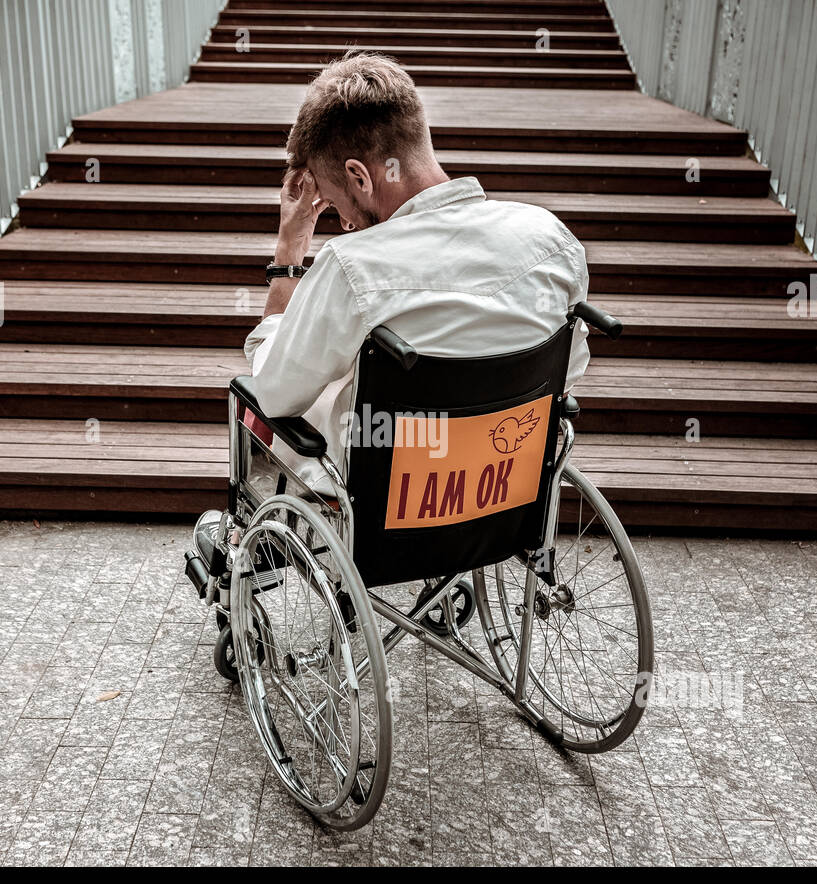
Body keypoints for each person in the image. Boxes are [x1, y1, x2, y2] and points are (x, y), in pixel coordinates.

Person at [196, 52, 592, 555]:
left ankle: (240, 542)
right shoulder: (553, 239)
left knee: (265, 394)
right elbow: (569, 368)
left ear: (362, 176)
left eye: (338, 208)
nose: (347, 225)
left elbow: (274, 396)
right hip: (505, 480)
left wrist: (290, 247)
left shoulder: (353, 266)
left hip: (395, 503)